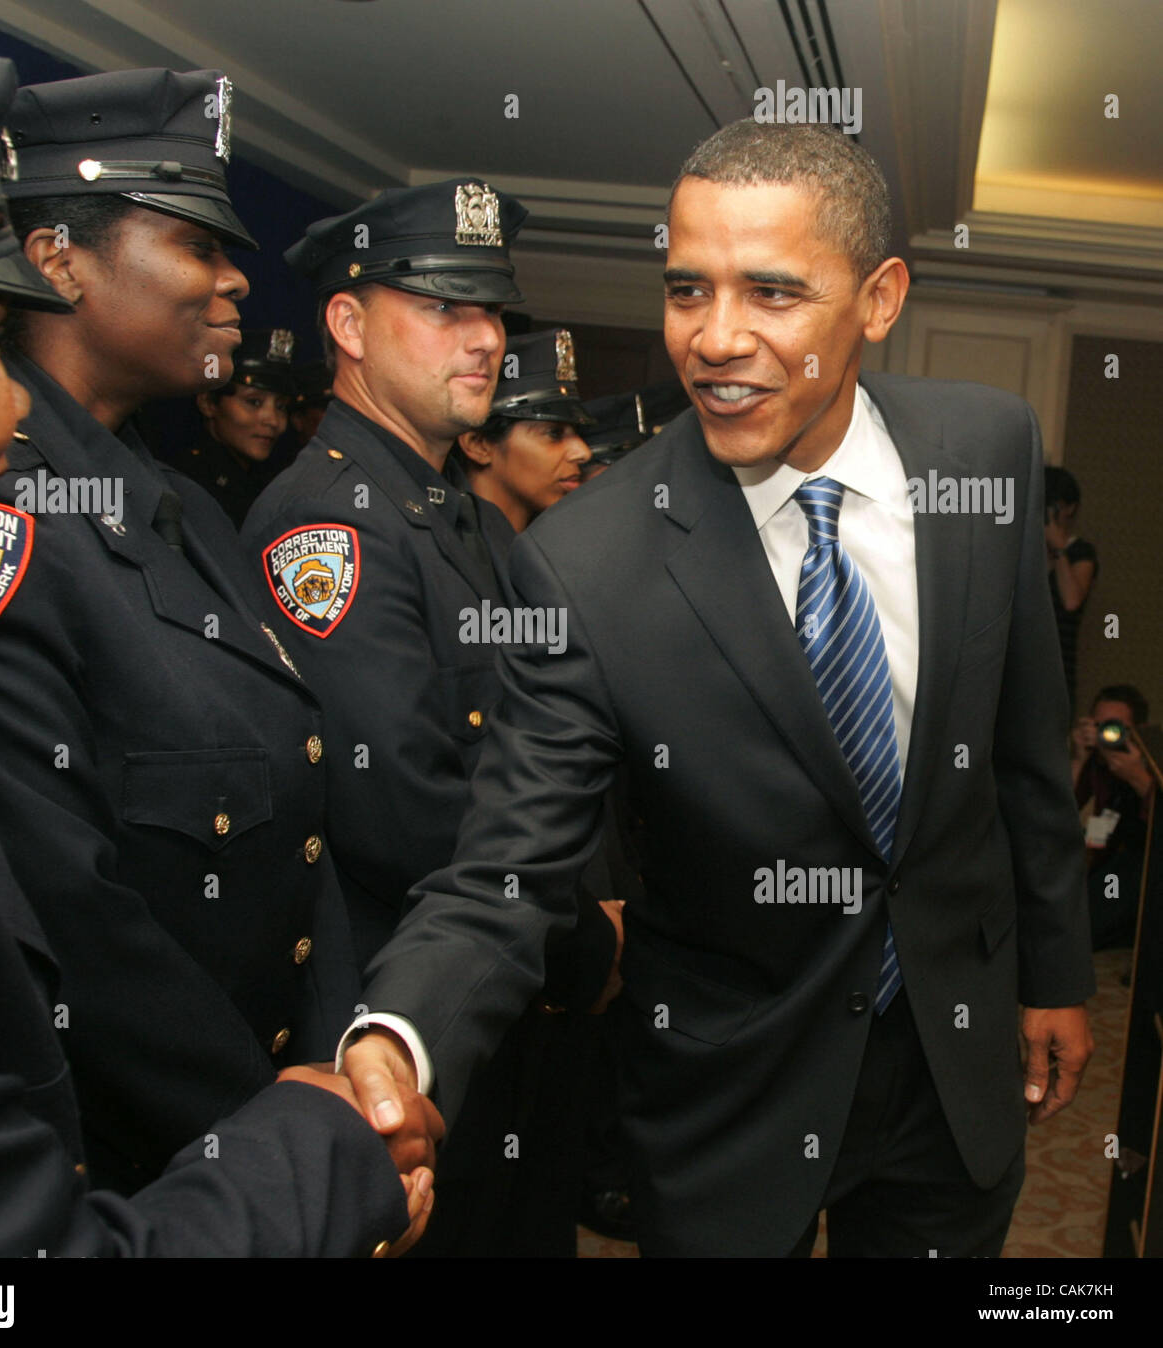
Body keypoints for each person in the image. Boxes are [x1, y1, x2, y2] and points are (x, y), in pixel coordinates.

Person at [339, 119, 1096, 1258]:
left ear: (878, 298)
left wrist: (1053, 974)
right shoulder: (589, 560)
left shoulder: (982, 449)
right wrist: (398, 1035)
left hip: (951, 1057)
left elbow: (1026, 752)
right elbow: (505, 867)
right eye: (687, 289)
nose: (717, 338)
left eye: (774, 292)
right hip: (732, 1084)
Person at [0, 34, 429, 1257]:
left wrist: (333, 1072)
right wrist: (295, 1143)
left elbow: (306, 796)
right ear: (55, 259)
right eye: (196, 244)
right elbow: (78, 923)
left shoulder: (173, 499)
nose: (231, 284)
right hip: (154, 1169)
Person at [242, 180, 617, 1256]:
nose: (486, 338)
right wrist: (581, 936)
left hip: (492, 995)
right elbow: (393, 801)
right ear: (349, 327)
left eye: (493, 311)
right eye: (444, 308)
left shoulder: (456, 514)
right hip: (396, 1014)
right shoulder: (327, 521)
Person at [455, 327, 593, 532]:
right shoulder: (444, 551)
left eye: (578, 434)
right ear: (479, 445)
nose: (584, 453)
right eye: (554, 434)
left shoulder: (541, 551)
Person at [178, 327, 298, 528]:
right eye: (254, 402)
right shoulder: (185, 484)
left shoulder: (276, 482)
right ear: (208, 403)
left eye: (281, 406)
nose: (273, 420)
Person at [1072, 684, 1155, 950]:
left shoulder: (1154, 760)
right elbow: (1062, 809)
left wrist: (1137, 777)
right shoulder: (1097, 762)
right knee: (1070, 921)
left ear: (1139, 731)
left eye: (1115, 727)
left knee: (1086, 929)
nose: (1107, 735)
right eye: (1100, 725)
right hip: (1110, 861)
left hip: (1149, 864)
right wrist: (1079, 758)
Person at [1045, 465, 1098, 713]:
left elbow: (1071, 601)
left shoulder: (1080, 552)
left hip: (1056, 673)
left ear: (1070, 508)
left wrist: (1059, 548)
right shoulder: (1023, 550)